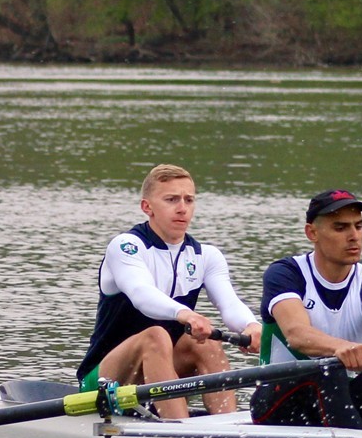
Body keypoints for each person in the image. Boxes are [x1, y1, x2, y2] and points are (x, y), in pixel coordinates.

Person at [75, 164, 261, 420]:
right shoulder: (127, 246)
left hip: (158, 375)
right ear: (147, 207)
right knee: (156, 335)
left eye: (189, 200)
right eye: (171, 199)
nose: (182, 208)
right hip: (103, 383)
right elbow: (141, 294)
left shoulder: (206, 256)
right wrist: (186, 315)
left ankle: (231, 429)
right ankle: (178, 432)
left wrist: (251, 326)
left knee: (206, 342)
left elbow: (230, 305)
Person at [249, 189, 362, 434]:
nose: (354, 236)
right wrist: (338, 347)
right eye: (340, 228)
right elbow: (296, 333)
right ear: (312, 233)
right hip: (277, 407)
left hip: (340, 403)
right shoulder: (286, 274)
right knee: (330, 367)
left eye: (358, 226)